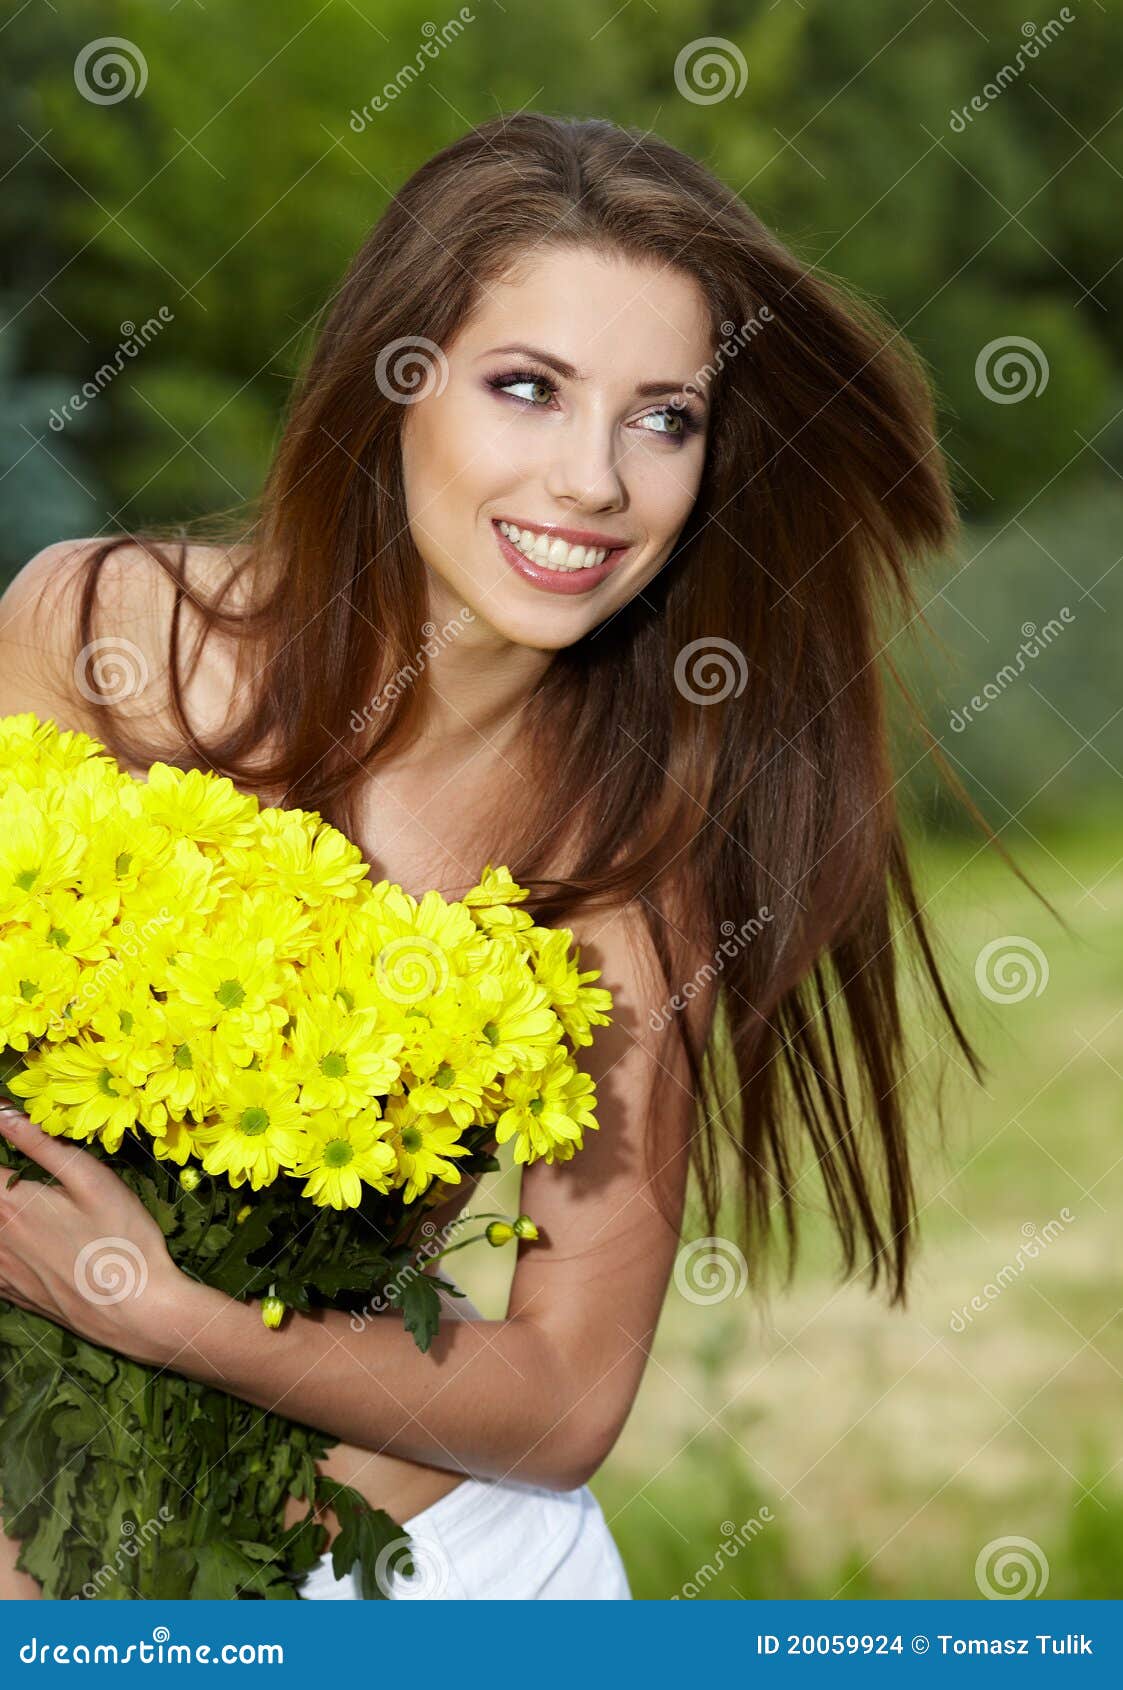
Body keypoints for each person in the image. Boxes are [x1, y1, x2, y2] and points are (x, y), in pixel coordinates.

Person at [0, 111, 1024, 1601]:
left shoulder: (625, 863)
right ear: (394, 384)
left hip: (424, 1577)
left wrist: (164, 1314)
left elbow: (563, 1398)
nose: (595, 480)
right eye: (529, 389)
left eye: (664, 417)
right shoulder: (99, 637)